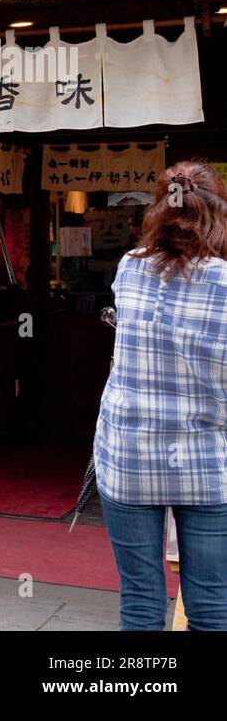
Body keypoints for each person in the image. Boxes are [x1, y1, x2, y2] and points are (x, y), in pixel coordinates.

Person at [94, 161, 227, 630]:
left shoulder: (130, 269)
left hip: (130, 454)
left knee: (141, 599)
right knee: (212, 606)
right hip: (208, 462)